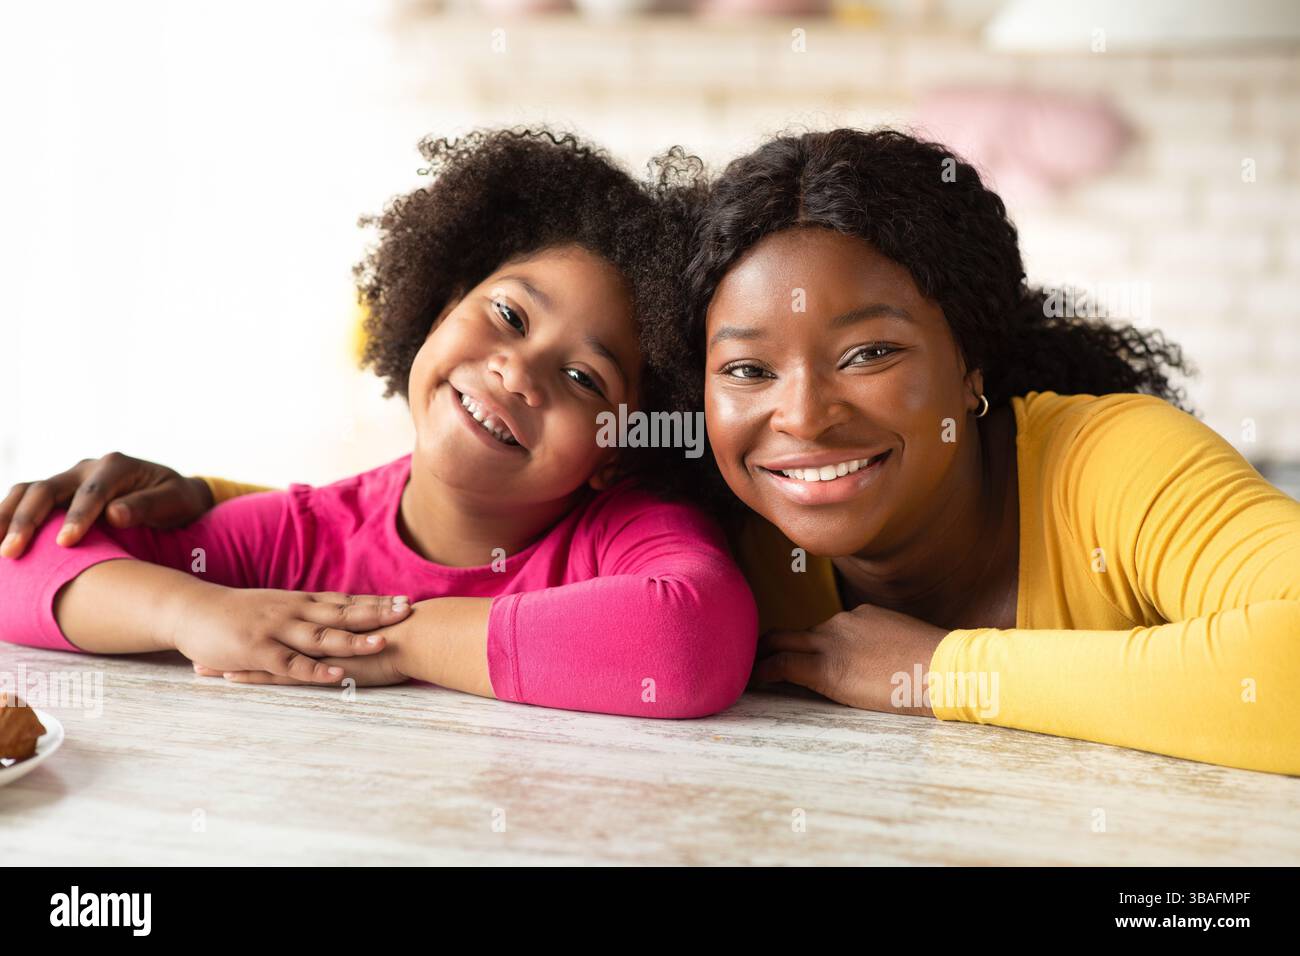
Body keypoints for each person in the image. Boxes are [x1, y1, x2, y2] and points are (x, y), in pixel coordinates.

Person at [0, 128, 757, 720]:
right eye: (507, 315)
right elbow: (17, 565)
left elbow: (693, 641)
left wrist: (401, 642)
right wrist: (191, 611)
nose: (516, 373)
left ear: (618, 452)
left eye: (583, 378)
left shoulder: (625, 532)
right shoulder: (306, 533)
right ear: (439, 306)